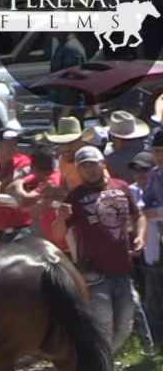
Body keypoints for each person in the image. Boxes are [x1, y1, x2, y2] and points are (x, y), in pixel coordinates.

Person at [55, 146, 146, 354]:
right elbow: (59, 234)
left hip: (124, 270)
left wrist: (140, 236)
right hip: (95, 275)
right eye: (84, 166)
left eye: (93, 164)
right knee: (103, 326)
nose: (90, 170)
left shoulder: (121, 187)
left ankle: (98, 363)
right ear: (78, 170)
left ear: (102, 164)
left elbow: (138, 215)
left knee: (124, 326)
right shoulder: (75, 198)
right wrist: (61, 217)